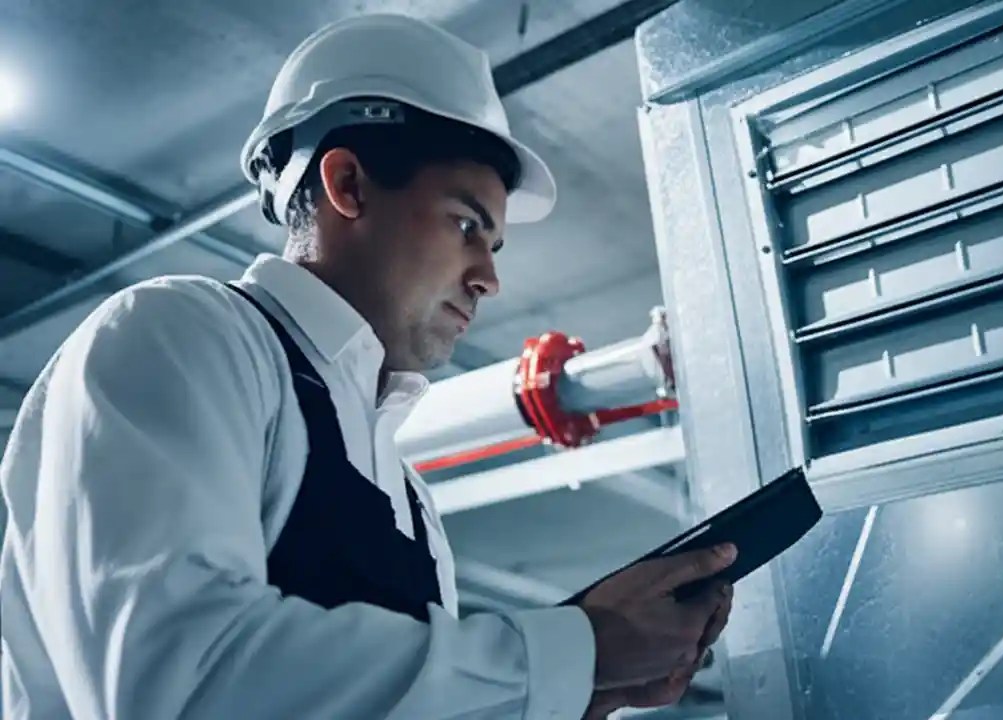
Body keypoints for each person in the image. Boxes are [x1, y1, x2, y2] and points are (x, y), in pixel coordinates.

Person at [0, 14, 735, 720]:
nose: (488, 277)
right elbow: (177, 684)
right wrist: (579, 651)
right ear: (348, 184)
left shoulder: (410, 498)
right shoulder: (180, 334)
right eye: (467, 224)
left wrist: (585, 691)